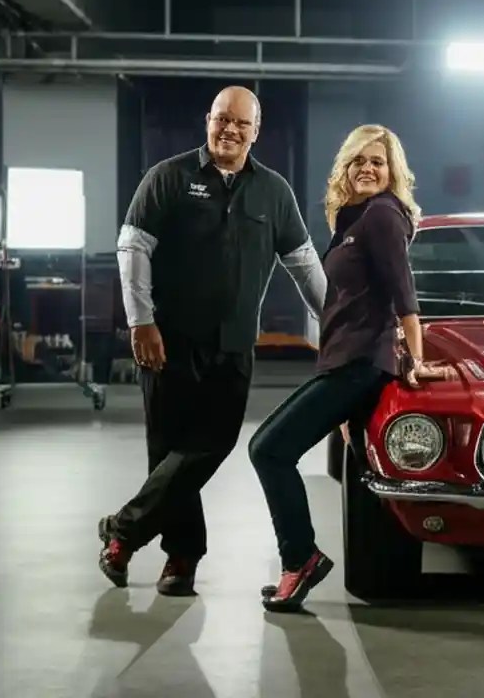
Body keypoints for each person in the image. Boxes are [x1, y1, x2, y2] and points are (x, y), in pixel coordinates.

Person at [98, 86, 327, 596]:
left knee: (212, 443)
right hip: (167, 340)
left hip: (234, 345)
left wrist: (335, 322)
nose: (230, 130)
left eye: (241, 124)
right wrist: (141, 321)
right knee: (168, 450)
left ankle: (123, 530)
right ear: (208, 121)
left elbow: (305, 264)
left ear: (256, 131)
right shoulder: (169, 178)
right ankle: (181, 559)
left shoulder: (273, 191)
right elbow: (132, 248)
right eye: (222, 120)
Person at [248, 124, 450, 612]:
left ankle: (301, 560)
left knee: (269, 449)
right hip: (343, 365)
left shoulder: (382, 215)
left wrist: (417, 362)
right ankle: (301, 558)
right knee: (267, 448)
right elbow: (342, 307)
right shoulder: (353, 219)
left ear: (392, 172)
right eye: (359, 160)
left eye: (378, 162)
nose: (367, 168)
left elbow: (404, 294)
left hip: (360, 363)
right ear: (346, 166)